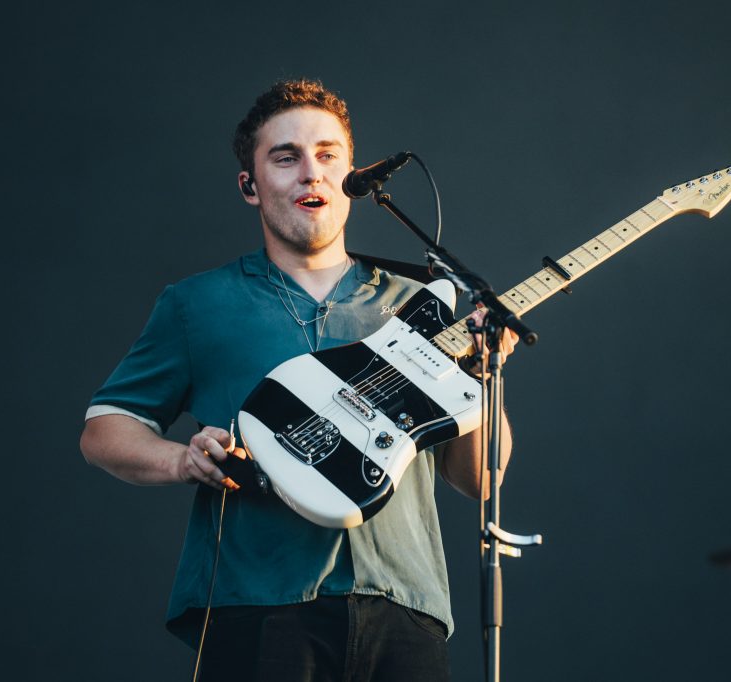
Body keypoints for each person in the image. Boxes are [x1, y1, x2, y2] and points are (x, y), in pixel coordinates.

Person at [80, 79, 516, 681]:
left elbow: (479, 479)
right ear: (250, 186)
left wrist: (480, 371)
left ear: (354, 178)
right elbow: (105, 428)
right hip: (256, 608)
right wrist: (183, 460)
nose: (312, 172)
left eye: (328, 155)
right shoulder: (197, 304)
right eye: (286, 157)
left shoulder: (423, 306)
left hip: (404, 610)